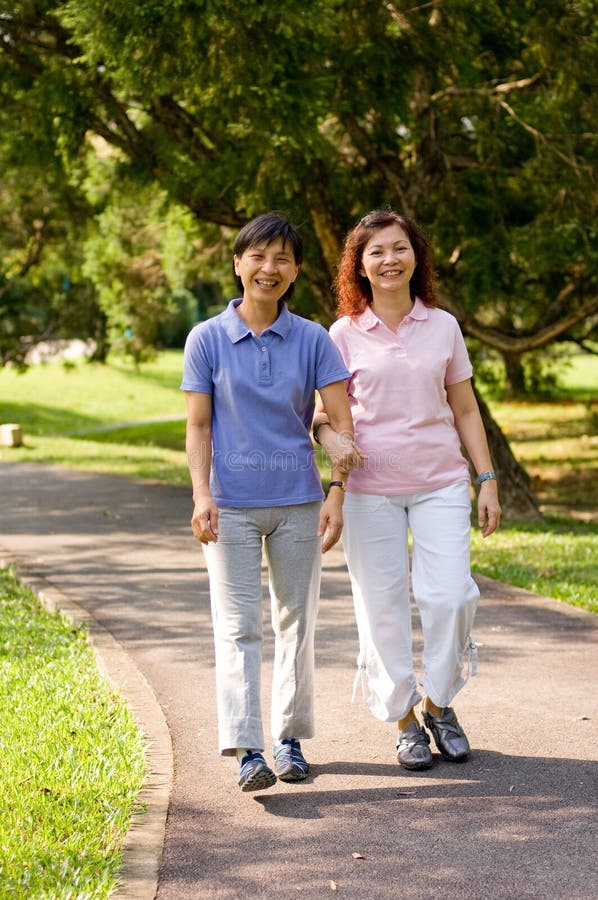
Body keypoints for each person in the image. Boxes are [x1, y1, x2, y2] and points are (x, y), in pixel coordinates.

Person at [313, 210, 501, 770]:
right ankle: (403, 721)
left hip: (441, 481)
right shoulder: (342, 334)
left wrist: (486, 479)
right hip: (370, 490)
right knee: (382, 608)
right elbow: (322, 414)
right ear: (360, 266)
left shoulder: (442, 325)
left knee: (452, 595)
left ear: (415, 256)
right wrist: (330, 446)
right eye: (376, 252)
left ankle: (439, 703)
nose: (389, 260)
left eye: (399, 248)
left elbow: (464, 408)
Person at [181, 211, 353, 792]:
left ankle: (289, 739)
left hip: (300, 504)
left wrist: (337, 493)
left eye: (282, 259)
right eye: (258, 256)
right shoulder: (206, 338)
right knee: (237, 627)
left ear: (297, 270)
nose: (268, 268)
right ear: (238, 263)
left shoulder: (314, 339)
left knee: (297, 623)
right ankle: (247, 748)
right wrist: (202, 494)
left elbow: (337, 424)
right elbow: (199, 427)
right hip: (228, 505)